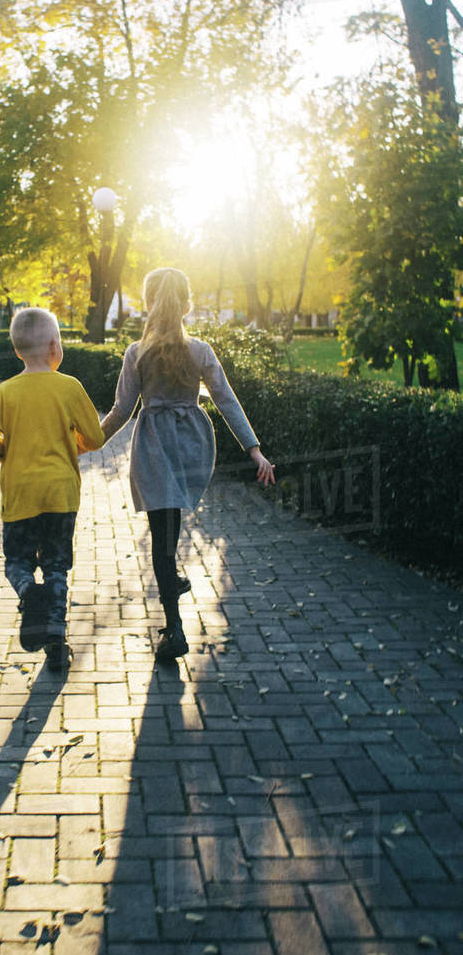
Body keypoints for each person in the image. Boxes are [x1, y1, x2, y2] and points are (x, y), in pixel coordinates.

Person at [100, 267, 275, 661]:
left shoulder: (137, 352)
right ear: (187, 304)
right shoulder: (200, 350)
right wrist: (254, 449)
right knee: (169, 528)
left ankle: (174, 627)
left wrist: (85, 442)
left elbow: (122, 411)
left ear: (148, 304)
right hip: (192, 445)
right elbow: (226, 400)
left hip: (155, 447)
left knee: (161, 534)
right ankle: (173, 582)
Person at [0, 307, 105, 671]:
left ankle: (26, 592)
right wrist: (72, 445)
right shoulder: (69, 387)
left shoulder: (5, 392)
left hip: (20, 494)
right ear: (54, 347)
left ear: (18, 350)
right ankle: (57, 642)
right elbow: (95, 436)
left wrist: (8, 454)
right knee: (56, 566)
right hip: (61, 494)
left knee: (17, 561)